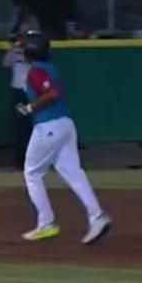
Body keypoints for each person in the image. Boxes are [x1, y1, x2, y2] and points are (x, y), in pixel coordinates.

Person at [14, 30, 112, 245]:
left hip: (48, 126)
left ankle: (46, 223)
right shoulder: (49, 68)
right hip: (65, 125)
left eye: (23, 46)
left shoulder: (36, 71)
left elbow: (51, 95)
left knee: (32, 173)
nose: (20, 49)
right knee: (74, 173)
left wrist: (30, 107)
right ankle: (96, 216)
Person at [2, 33, 32, 171]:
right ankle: (21, 159)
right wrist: (13, 49)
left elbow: (30, 61)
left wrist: (23, 50)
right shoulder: (13, 54)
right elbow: (5, 63)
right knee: (20, 125)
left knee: (32, 125)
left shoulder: (33, 52)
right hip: (19, 92)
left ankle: (35, 158)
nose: (18, 42)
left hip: (31, 93)